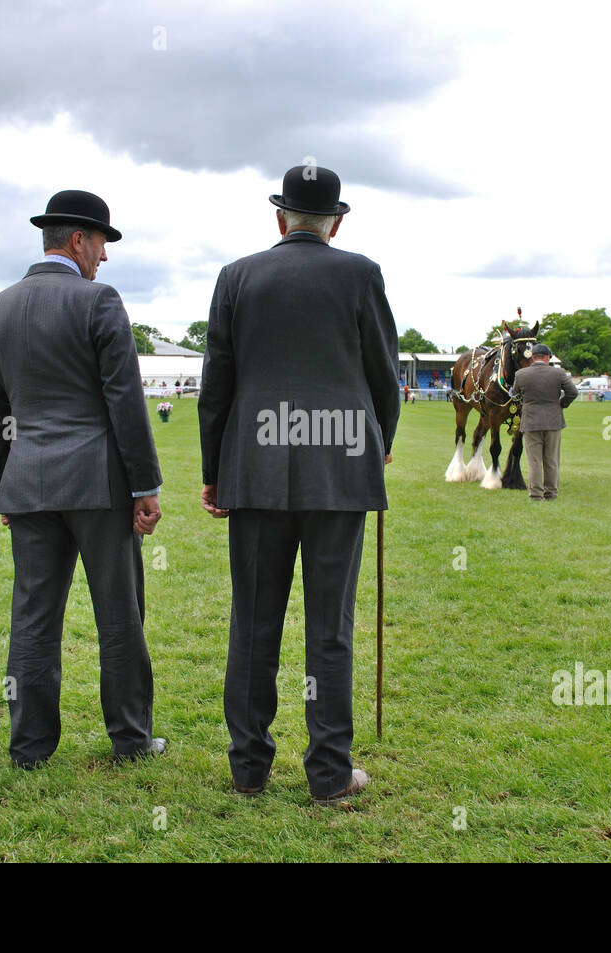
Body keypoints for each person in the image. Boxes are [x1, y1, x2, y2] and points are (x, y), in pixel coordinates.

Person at [198, 164, 399, 805]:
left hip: (252, 468)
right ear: (335, 221)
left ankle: (248, 768)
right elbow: (384, 375)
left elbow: (216, 386)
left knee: (253, 623)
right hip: (339, 467)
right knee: (329, 628)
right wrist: (380, 443)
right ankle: (329, 772)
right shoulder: (361, 272)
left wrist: (213, 474)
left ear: (280, 217)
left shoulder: (236, 276)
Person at [0, 189, 165, 769]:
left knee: (32, 618)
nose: (104, 257)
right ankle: (130, 739)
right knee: (119, 614)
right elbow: (125, 402)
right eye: (102, 243)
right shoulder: (99, 301)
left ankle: (29, 746)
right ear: (79, 240)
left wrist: (5, 484)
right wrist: (145, 486)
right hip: (98, 484)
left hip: (28, 483)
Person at [512, 343, 578, 500]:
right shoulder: (558, 373)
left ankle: (535, 494)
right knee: (552, 460)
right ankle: (551, 493)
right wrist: (561, 404)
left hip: (531, 421)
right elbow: (573, 392)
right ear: (548, 357)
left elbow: (515, 394)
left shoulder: (521, 374)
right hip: (553, 421)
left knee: (534, 460)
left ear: (532, 358)